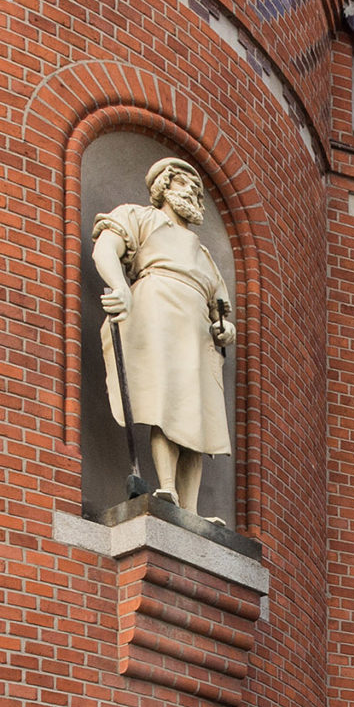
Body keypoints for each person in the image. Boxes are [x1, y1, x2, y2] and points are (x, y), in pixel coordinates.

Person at [92, 157, 235, 519]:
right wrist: (122, 288)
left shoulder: (203, 253)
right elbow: (105, 248)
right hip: (160, 311)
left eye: (198, 190)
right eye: (186, 184)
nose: (194, 193)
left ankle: (190, 509)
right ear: (165, 187)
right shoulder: (141, 218)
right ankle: (166, 486)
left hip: (198, 331)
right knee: (167, 402)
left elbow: (221, 309)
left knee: (199, 418)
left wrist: (224, 330)